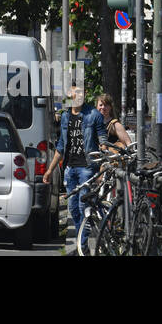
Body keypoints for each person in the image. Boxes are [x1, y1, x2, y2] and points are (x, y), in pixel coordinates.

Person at [41, 86, 106, 249]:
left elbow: (103, 143)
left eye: (79, 95)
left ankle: (81, 245)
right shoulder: (65, 117)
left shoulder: (94, 115)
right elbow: (61, 146)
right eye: (72, 95)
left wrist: (102, 168)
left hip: (87, 167)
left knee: (83, 207)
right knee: (73, 208)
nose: (76, 98)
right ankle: (80, 240)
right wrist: (49, 170)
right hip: (70, 168)